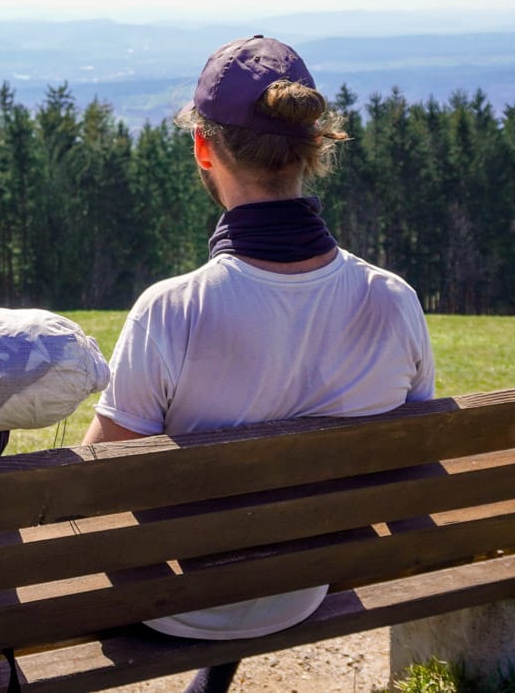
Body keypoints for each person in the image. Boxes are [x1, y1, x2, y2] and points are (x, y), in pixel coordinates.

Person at [83, 34, 435, 693]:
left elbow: (92, 491)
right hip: (302, 587)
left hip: (175, 604)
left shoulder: (172, 310)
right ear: (314, 147)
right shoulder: (391, 300)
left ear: (203, 148)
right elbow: (410, 462)